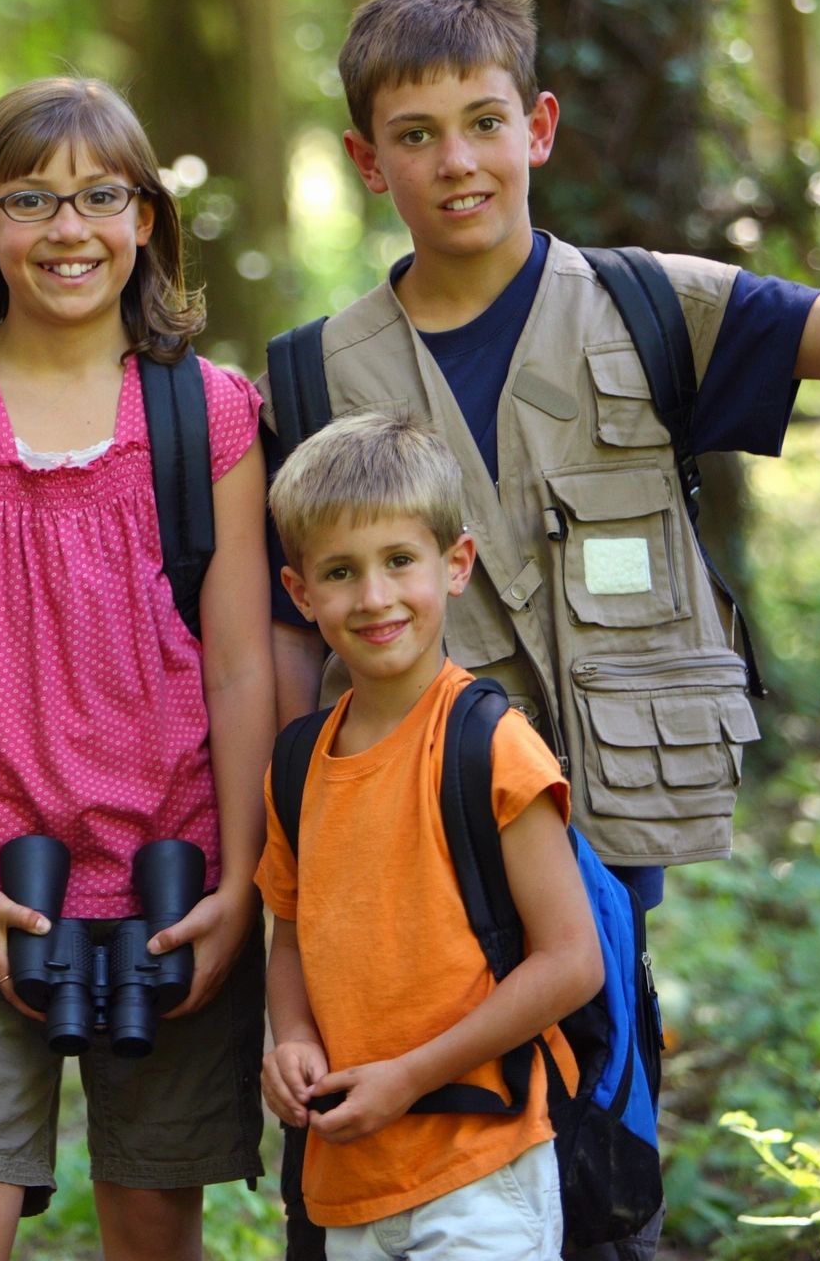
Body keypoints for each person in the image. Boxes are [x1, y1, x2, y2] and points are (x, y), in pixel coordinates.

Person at [261, 0, 820, 1260]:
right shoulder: (307, 374)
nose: (457, 161)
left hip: (598, 897)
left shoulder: (651, 309)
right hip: (394, 911)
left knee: (599, 1207)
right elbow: (280, 659)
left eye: (485, 121)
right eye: (415, 134)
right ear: (364, 159)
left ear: (540, 127)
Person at [0, 77, 275, 1261]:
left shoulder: (210, 412)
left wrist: (239, 881)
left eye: (100, 196)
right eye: (30, 199)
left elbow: (243, 669)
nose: (68, 229)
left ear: (147, 218)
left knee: (151, 1215)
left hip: (175, 872)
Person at [258, 410, 604, 1261]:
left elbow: (571, 960)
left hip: (483, 1160)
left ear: (456, 565)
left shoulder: (490, 745)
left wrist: (412, 1075)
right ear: (301, 593)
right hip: (351, 1175)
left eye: (399, 562)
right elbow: (294, 934)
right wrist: (293, 1038)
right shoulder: (299, 763)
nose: (373, 598)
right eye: (340, 572)